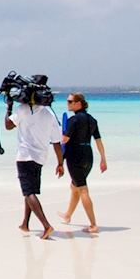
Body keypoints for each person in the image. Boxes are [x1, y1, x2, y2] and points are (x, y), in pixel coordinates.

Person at [5, 96, 64, 239]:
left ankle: (46, 226)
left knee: (28, 192)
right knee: (30, 192)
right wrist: (60, 163)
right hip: (40, 158)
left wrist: (8, 108)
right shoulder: (49, 114)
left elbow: (8, 126)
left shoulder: (23, 109)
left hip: (24, 156)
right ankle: (25, 223)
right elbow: (56, 142)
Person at [58, 92, 107, 233]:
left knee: (83, 189)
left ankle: (93, 225)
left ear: (78, 103)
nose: (67, 104)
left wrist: (55, 139)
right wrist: (103, 159)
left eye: (70, 101)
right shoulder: (92, 120)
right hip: (88, 155)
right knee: (75, 187)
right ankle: (68, 215)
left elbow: (65, 140)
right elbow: (98, 141)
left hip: (75, 156)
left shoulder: (73, 120)